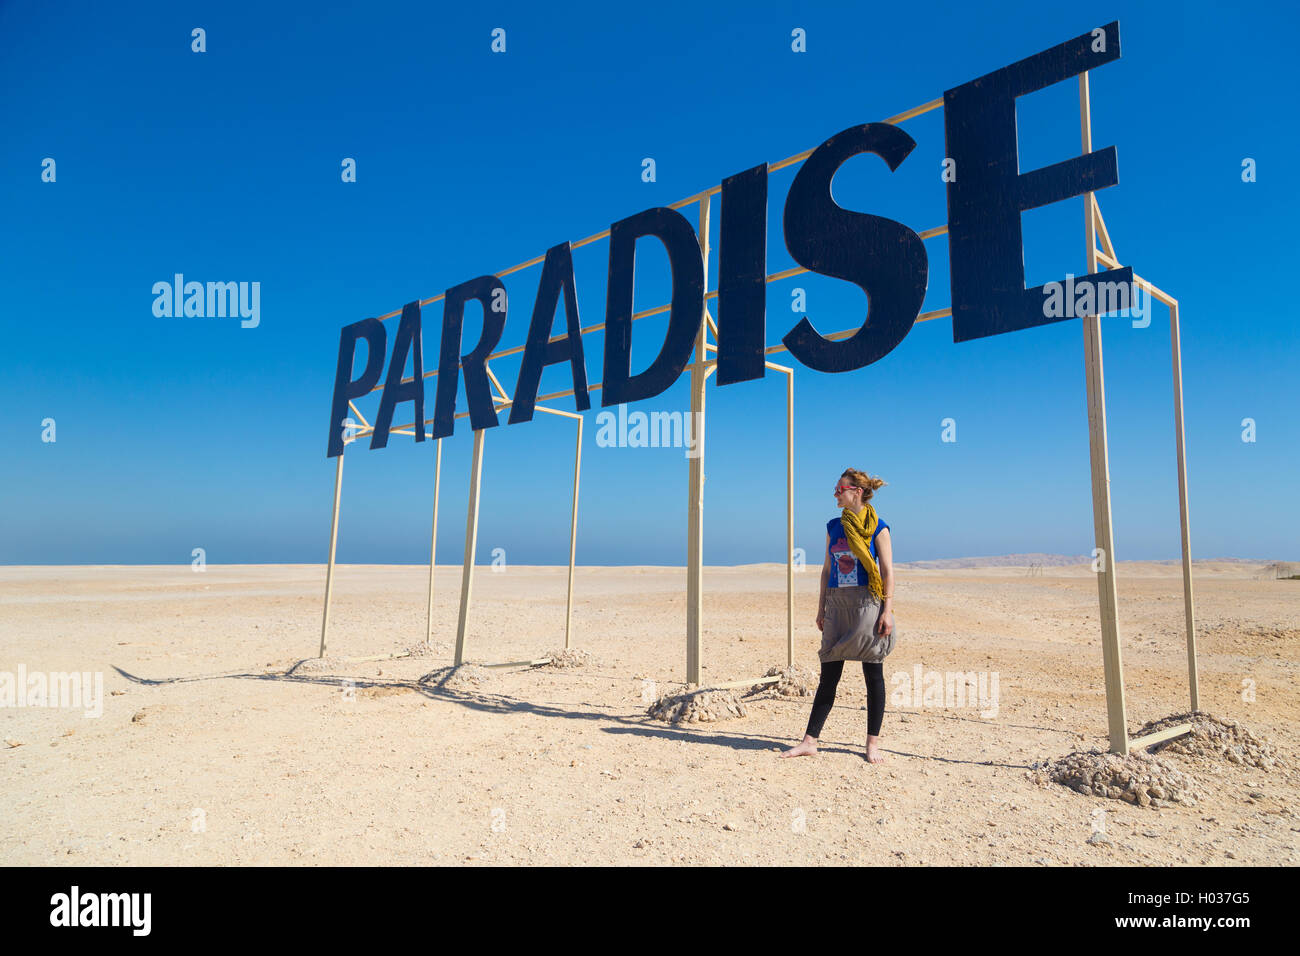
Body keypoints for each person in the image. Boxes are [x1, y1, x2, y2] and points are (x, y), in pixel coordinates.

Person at [780, 468, 896, 763]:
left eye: (839, 488)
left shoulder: (879, 528)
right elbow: (827, 570)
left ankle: (872, 744)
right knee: (829, 673)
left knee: (873, 674)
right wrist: (821, 608)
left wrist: (888, 610)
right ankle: (809, 740)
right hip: (836, 604)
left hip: (868, 603)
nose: (835, 493)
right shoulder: (833, 526)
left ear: (856, 491)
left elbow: (887, 572)